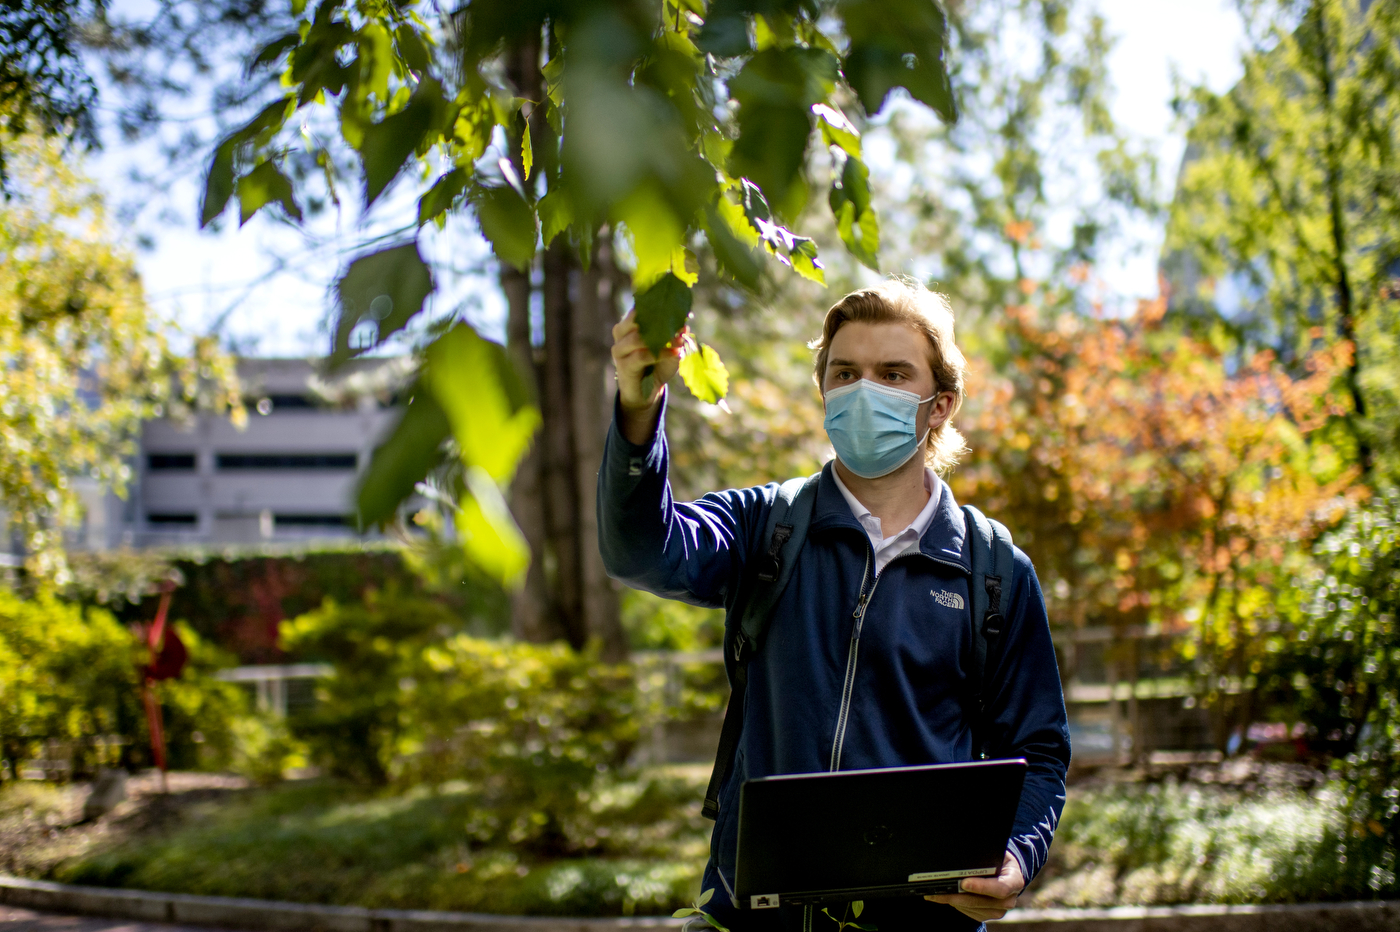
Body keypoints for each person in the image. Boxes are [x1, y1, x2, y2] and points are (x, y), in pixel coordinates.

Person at [599, 278, 1071, 931]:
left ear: (941, 406)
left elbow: (1040, 748)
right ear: (823, 388)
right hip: (754, 918)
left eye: (893, 373)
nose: (863, 389)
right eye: (845, 372)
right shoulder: (766, 527)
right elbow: (642, 552)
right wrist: (639, 404)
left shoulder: (994, 572)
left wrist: (1016, 855)